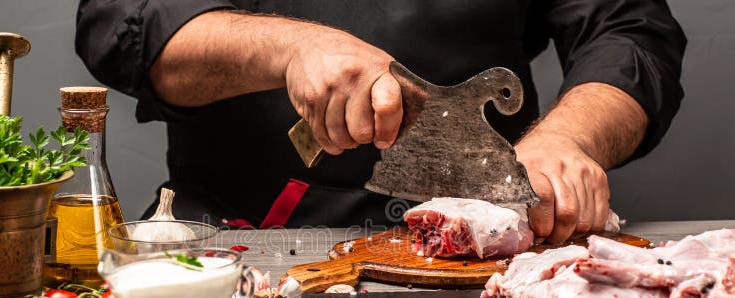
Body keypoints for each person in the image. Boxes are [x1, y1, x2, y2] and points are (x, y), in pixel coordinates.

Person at [75, 1, 685, 243]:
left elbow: (630, 30)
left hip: (496, 242)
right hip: (242, 253)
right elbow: (127, 26)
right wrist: (292, 49)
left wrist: (566, 138)